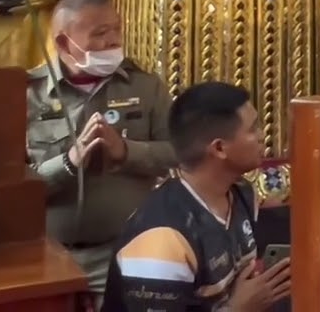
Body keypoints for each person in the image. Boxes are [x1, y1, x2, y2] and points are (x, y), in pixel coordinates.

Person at [25, 0, 176, 309]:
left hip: (125, 252)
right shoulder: (27, 95)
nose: (113, 41)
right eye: (99, 33)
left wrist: (126, 152)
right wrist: (68, 163)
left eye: (116, 29)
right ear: (65, 43)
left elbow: (177, 153)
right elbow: (12, 184)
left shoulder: (145, 87)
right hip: (46, 257)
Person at [102, 82, 291, 312]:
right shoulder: (162, 239)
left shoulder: (241, 193)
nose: (262, 136)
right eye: (253, 129)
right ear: (219, 148)